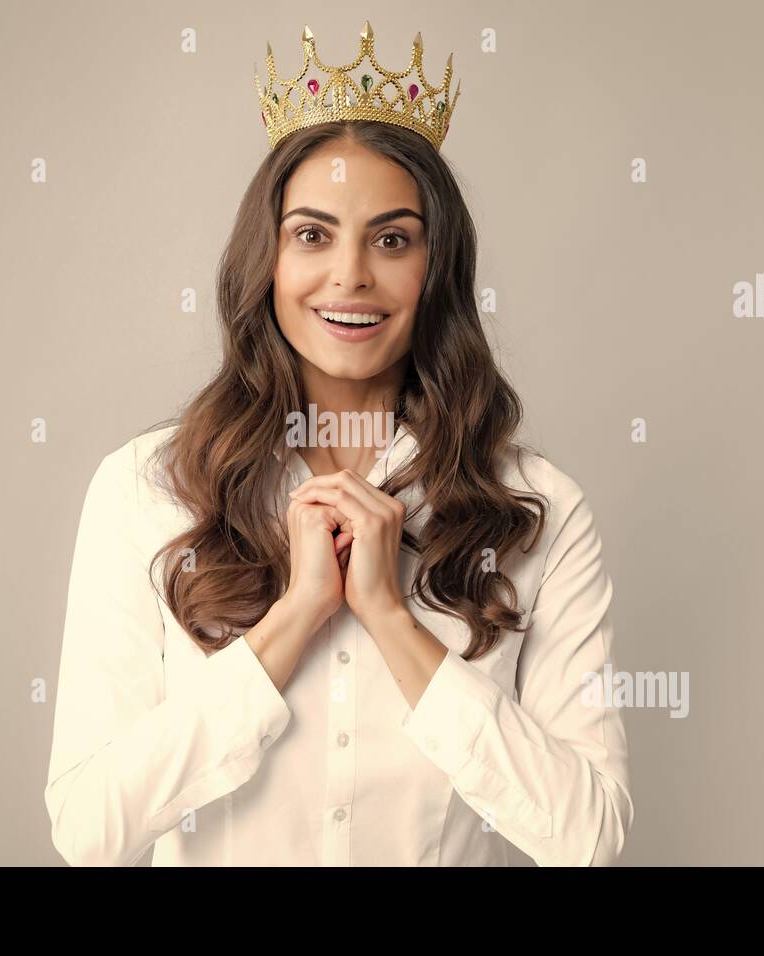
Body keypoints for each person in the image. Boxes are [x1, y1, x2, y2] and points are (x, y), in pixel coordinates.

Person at [43, 21, 633, 866]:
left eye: (392, 239)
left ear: (436, 270)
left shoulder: (537, 511)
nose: (351, 274)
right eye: (312, 235)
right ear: (268, 261)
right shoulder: (147, 489)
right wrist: (294, 620)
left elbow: (591, 838)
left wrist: (393, 619)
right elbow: (90, 831)